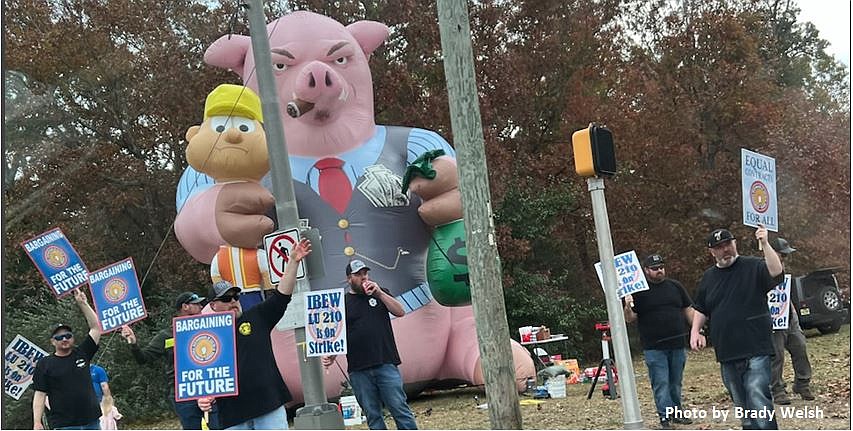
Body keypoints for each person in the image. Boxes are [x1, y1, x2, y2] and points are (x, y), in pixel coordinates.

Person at [197, 238, 311, 430]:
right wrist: (202, 398)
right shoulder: (205, 336)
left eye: (236, 296)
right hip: (233, 415)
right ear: (213, 306)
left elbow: (282, 295)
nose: (233, 301)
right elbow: (198, 376)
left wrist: (293, 262)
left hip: (268, 406)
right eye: (226, 299)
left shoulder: (257, 316)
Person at [690, 226, 784, 430]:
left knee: (757, 395)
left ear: (735, 244)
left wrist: (765, 243)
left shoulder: (753, 266)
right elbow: (701, 307)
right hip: (726, 351)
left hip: (756, 347)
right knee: (742, 405)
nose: (725, 249)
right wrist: (695, 331)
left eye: (728, 244)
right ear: (712, 252)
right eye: (719, 247)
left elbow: (777, 272)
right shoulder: (709, 277)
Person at [322, 260, 418, 430]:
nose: (363, 277)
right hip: (359, 369)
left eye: (365, 273)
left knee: (399, 408)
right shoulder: (342, 303)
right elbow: (338, 334)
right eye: (358, 274)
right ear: (349, 279)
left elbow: (400, 311)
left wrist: (379, 294)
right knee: (372, 415)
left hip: (385, 362)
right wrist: (332, 355)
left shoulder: (380, 294)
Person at [119, 291, 214, 430]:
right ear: (185, 307)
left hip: (209, 388)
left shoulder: (210, 328)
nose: (201, 307)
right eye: (197, 304)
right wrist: (133, 343)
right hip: (182, 393)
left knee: (219, 426)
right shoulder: (167, 335)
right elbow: (144, 358)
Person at [623, 254, 694, 429]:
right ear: (646, 270)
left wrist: (696, 330)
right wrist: (627, 305)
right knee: (661, 382)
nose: (659, 271)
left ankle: (677, 412)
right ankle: (664, 416)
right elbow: (630, 318)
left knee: (675, 382)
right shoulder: (638, 291)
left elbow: (688, 309)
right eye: (655, 268)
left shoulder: (675, 286)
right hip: (654, 346)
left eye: (661, 267)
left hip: (677, 344)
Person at [32, 288, 103, 430]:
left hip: (92, 421)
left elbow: (96, 328)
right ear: (53, 341)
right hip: (65, 425)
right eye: (59, 337)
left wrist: (83, 304)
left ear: (73, 338)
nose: (64, 339)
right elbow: (40, 394)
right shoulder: (45, 364)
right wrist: (37, 422)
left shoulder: (82, 353)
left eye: (68, 336)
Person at [767, 237, 814, 404]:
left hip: (789, 316)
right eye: (782, 254)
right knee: (777, 355)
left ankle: (802, 383)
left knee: (800, 347)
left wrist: (793, 312)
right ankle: (777, 389)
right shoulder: (763, 269)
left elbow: (786, 293)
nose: (785, 258)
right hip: (773, 319)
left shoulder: (786, 270)